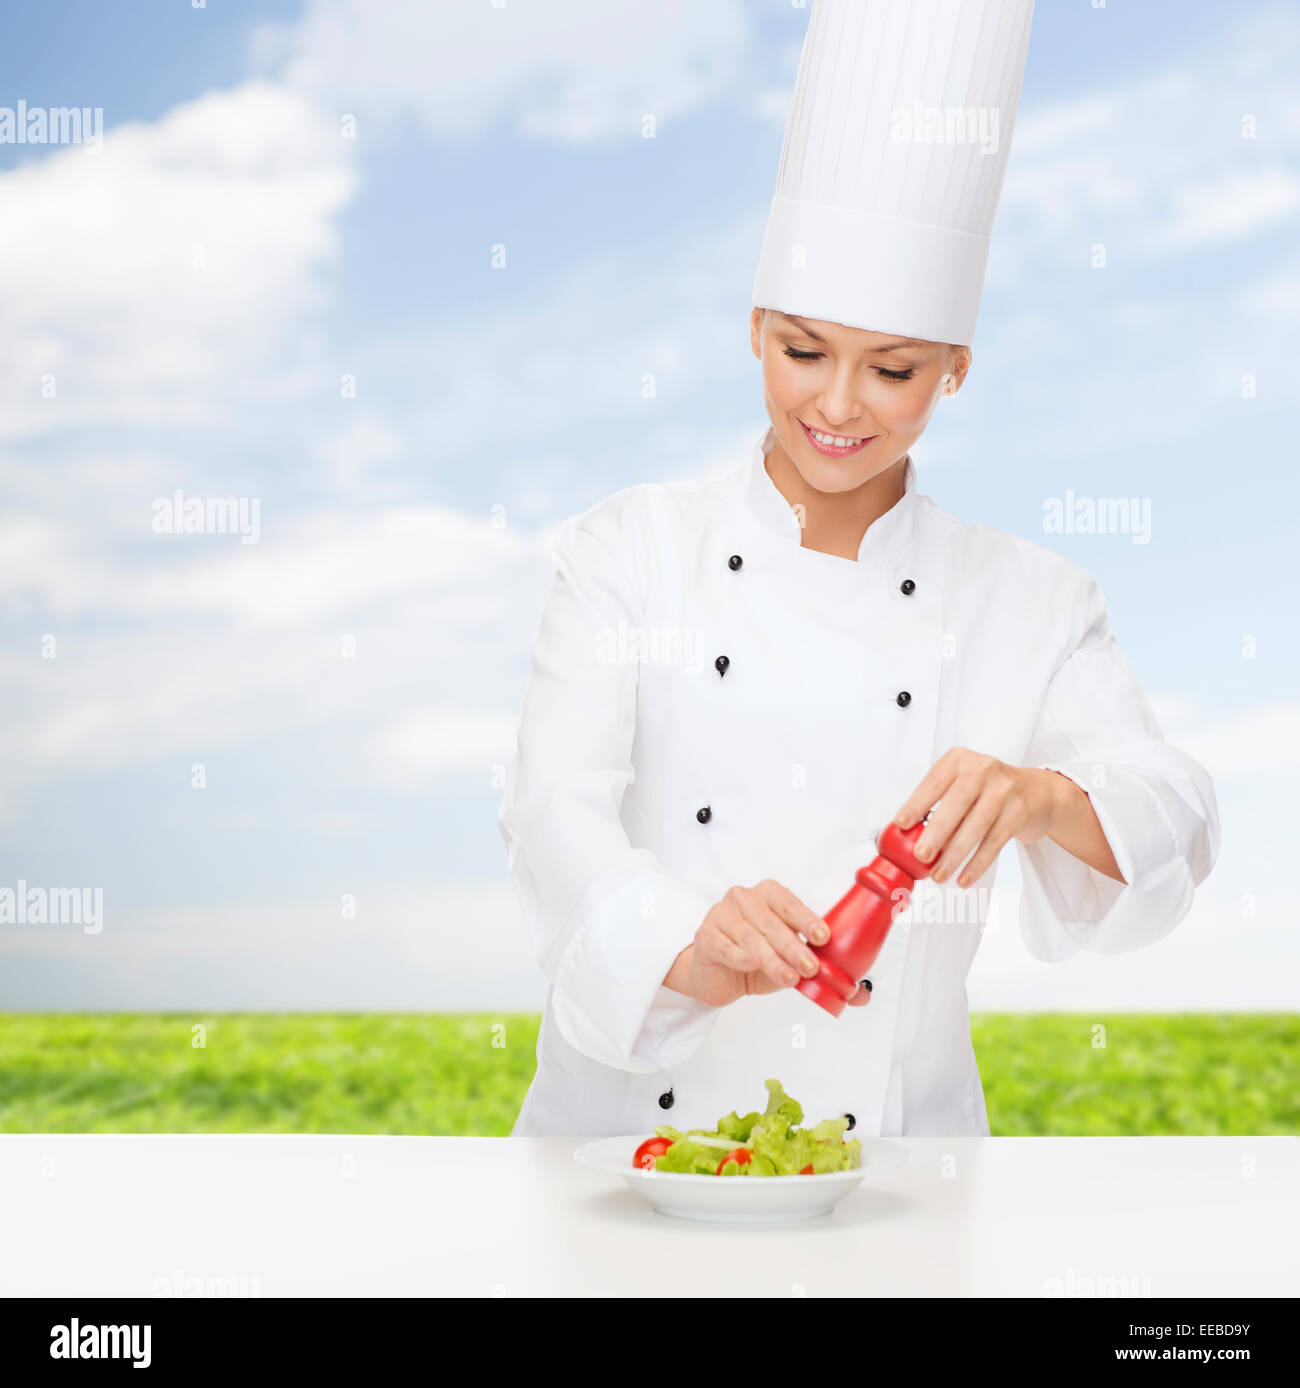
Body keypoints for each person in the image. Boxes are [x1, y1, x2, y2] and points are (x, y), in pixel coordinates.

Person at [498, 0, 1219, 1138]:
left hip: (897, 1167)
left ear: (955, 369)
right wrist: (681, 944)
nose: (835, 407)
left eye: (890, 369)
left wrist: (1037, 798)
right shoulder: (625, 549)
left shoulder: (1028, 597)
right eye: (801, 351)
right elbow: (550, 813)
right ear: (752, 327)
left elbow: (1174, 815)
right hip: (619, 1148)